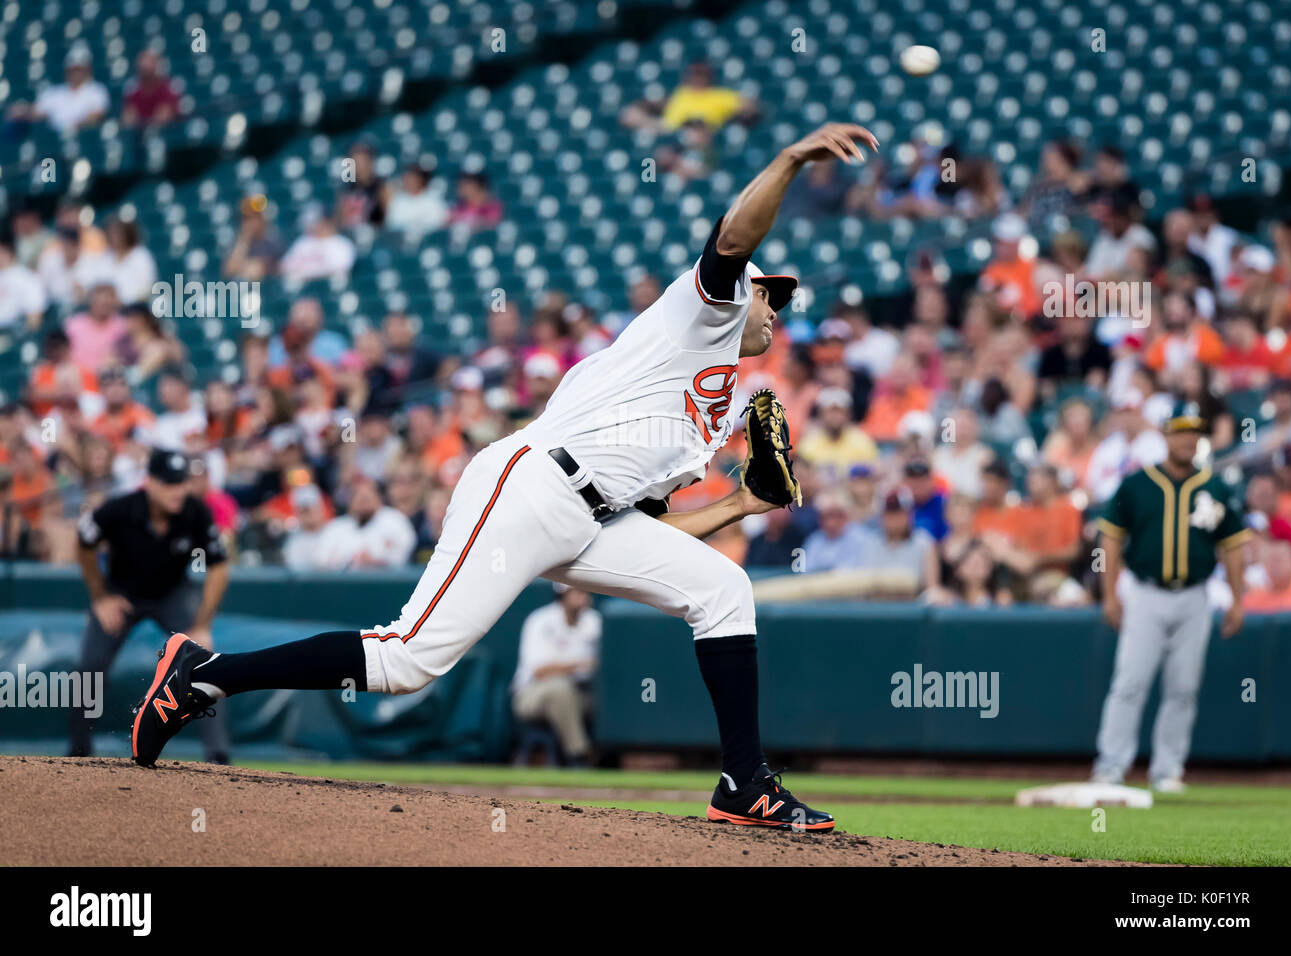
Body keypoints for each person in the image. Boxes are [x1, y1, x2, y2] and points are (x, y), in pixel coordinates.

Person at [129, 122, 883, 833]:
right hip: (531, 486)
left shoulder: (709, 424)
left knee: (721, 590)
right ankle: (205, 674)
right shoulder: (700, 320)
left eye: (781, 297)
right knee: (404, 661)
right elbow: (732, 239)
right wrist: (790, 160)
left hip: (587, 517)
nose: (775, 305)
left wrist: (742, 501)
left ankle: (741, 783)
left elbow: (646, 531)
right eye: (768, 292)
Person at [1091, 403, 1251, 792]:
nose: (1188, 439)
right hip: (1146, 592)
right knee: (1131, 681)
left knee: (1183, 687)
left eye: (1195, 432)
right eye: (1180, 431)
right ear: (1165, 435)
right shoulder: (1136, 484)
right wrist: (1109, 594)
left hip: (1195, 595)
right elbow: (1110, 539)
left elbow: (1232, 547)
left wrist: (1237, 599)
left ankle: (1167, 770)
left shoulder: (1215, 486)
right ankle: (1111, 766)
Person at [72, 449, 231, 761]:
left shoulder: (195, 512)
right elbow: (83, 543)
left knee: (206, 662)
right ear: (150, 483)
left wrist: (202, 624)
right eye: (169, 483)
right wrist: (101, 597)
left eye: (182, 482)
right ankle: (78, 751)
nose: (178, 490)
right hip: (122, 594)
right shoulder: (119, 510)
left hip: (172, 594)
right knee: (89, 667)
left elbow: (220, 568)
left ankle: (218, 756)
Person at [511, 585, 601, 766]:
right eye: (579, 592)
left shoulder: (593, 620)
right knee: (560, 688)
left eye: (586, 592)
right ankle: (580, 754)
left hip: (581, 692)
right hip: (532, 693)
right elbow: (540, 670)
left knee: (578, 693)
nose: (585, 597)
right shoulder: (541, 619)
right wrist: (579, 664)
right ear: (563, 594)